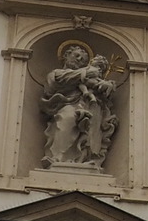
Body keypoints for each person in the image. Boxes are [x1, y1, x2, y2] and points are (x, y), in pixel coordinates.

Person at [39, 42, 122, 170]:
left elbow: (98, 88)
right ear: (66, 56)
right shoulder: (57, 73)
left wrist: (106, 86)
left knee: (91, 131)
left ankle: (86, 160)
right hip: (68, 104)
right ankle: (58, 158)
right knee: (67, 119)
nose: (79, 59)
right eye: (76, 55)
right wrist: (87, 72)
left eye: (82, 59)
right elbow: (60, 80)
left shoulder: (89, 75)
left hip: (89, 106)